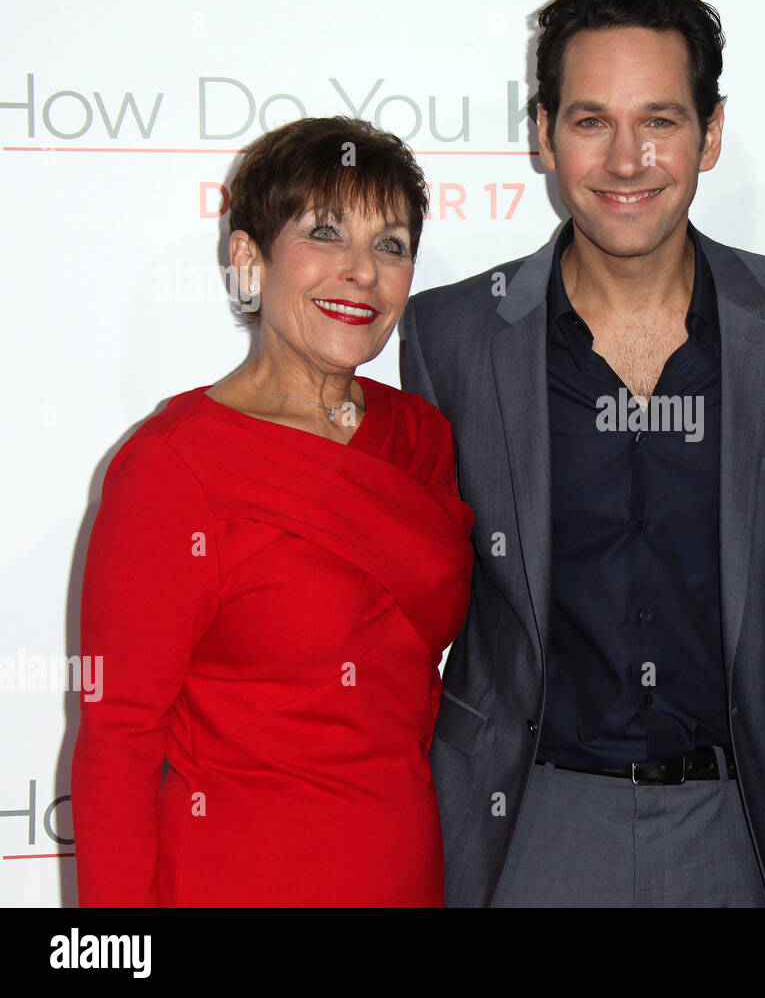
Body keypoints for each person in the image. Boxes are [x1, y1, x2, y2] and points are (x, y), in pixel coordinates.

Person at [401, 0, 765, 907]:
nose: (626, 160)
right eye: (591, 120)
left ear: (710, 134)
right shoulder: (449, 336)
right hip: (526, 822)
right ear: (544, 134)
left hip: (740, 821)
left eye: (660, 120)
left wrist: (759, 704)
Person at [70, 116, 473, 907]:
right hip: (239, 874)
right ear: (249, 260)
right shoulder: (173, 466)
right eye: (325, 233)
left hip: (405, 869)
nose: (362, 272)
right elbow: (115, 746)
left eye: (390, 245)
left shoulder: (420, 436)